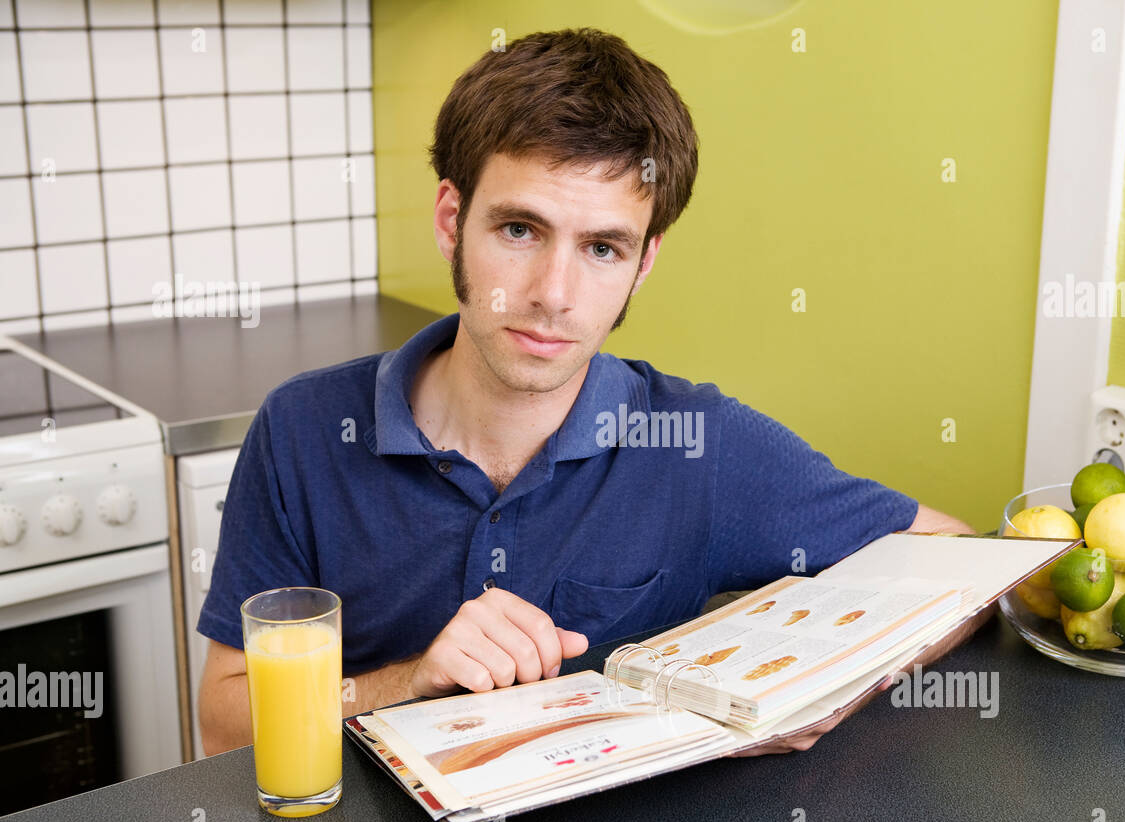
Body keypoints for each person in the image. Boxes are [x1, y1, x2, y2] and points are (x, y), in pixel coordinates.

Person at [198, 28, 987, 758]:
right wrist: (410, 685)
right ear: (451, 219)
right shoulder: (302, 430)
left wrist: (802, 690)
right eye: (519, 230)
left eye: (603, 247)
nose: (553, 292)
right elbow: (227, 718)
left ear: (642, 264)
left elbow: (955, 562)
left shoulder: (700, 444)